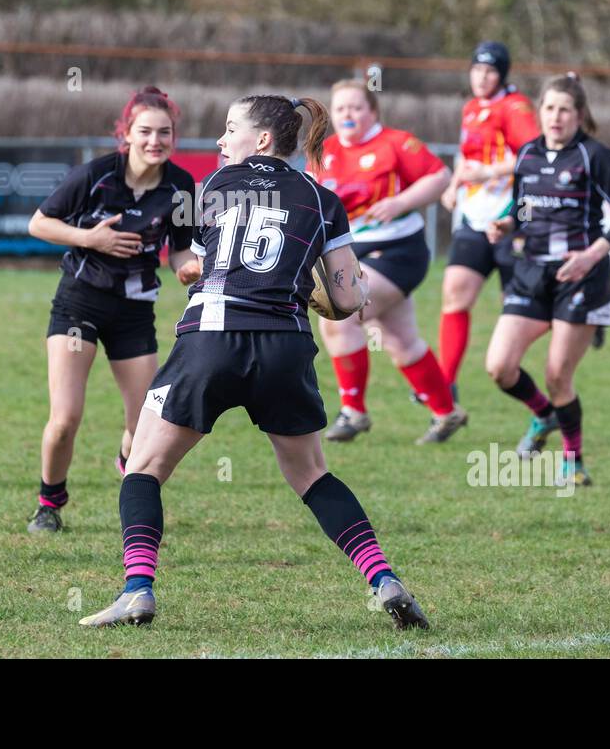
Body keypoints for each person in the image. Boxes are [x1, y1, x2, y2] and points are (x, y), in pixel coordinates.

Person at [78, 94, 428, 630]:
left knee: (143, 467)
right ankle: (384, 580)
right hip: (285, 345)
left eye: (229, 129)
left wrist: (194, 271)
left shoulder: (216, 186)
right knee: (312, 476)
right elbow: (346, 297)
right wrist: (331, 293)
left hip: (212, 339)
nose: (220, 141)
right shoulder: (323, 198)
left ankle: (138, 591)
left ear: (262, 139)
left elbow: (201, 264)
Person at [24, 87, 200, 533]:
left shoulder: (181, 186)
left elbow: (179, 252)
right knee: (65, 418)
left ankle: (127, 462)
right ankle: (49, 503)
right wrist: (91, 239)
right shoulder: (96, 175)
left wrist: (189, 269)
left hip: (135, 310)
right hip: (79, 302)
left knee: (144, 422)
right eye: (145, 131)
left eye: (164, 133)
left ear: (173, 137)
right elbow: (39, 223)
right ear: (126, 133)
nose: (154, 141)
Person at [483, 73, 610, 486]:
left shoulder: (594, 155)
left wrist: (591, 255)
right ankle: (542, 414)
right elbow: (525, 208)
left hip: (581, 278)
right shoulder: (528, 154)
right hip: (532, 272)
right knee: (499, 367)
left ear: (580, 115)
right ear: (540, 112)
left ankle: (573, 461)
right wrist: (506, 224)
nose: (556, 117)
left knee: (557, 375)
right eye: (549, 108)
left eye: (565, 109)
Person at [316, 79, 463, 444]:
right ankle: (447, 413)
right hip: (351, 253)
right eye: (340, 109)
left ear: (373, 111)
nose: (347, 115)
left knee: (341, 311)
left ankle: (353, 411)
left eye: (356, 107)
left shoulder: (394, 143)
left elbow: (440, 177)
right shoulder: (327, 150)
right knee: (400, 340)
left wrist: (401, 203)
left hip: (398, 250)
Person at [437, 42, 540, 409]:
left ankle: (528, 375)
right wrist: (453, 186)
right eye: (477, 69)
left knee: (515, 306)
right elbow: (467, 157)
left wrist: (489, 172)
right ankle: (445, 386)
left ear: (503, 75)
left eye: (490, 71)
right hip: (474, 219)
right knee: (455, 293)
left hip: (512, 220)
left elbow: (535, 156)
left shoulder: (515, 107)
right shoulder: (471, 108)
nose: (482, 77)